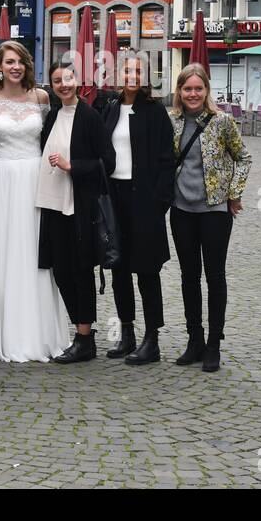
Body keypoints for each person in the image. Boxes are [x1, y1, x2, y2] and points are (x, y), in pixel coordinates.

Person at [0, 40, 70, 363]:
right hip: (2, 180)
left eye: (21, 62)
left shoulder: (41, 98)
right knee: (3, 251)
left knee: (36, 250)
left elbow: (56, 136)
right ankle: (2, 328)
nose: (15, 67)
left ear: (27, 66)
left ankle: (39, 329)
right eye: (9, 62)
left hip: (35, 178)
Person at [169, 64, 251, 373]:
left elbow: (243, 156)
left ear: (206, 91)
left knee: (214, 277)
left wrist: (234, 191)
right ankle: (195, 340)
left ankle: (214, 343)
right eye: (187, 89)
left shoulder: (222, 122)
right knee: (189, 277)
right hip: (181, 209)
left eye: (198, 89)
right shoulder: (172, 122)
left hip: (214, 210)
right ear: (180, 92)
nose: (192, 94)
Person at [38, 62, 116, 364]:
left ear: (77, 81)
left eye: (68, 79)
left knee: (81, 270)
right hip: (54, 204)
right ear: (53, 86)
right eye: (57, 81)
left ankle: (85, 337)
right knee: (60, 270)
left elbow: (106, 162)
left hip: (80, 207)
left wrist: (74, 166)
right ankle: (81, 333)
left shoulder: (90, 116)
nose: (63, 85)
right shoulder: (53, 115)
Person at [102, 54, 174, 364]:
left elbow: (166, 160)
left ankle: (152, 339)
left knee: (146, 270)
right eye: (127, 70)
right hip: (115, 196)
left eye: (138, 71)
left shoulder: (155, 112)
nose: (132, 76)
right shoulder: (111, 108)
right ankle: (127, 332)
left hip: (144, 199)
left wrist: (159, 203)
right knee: (118, 268)